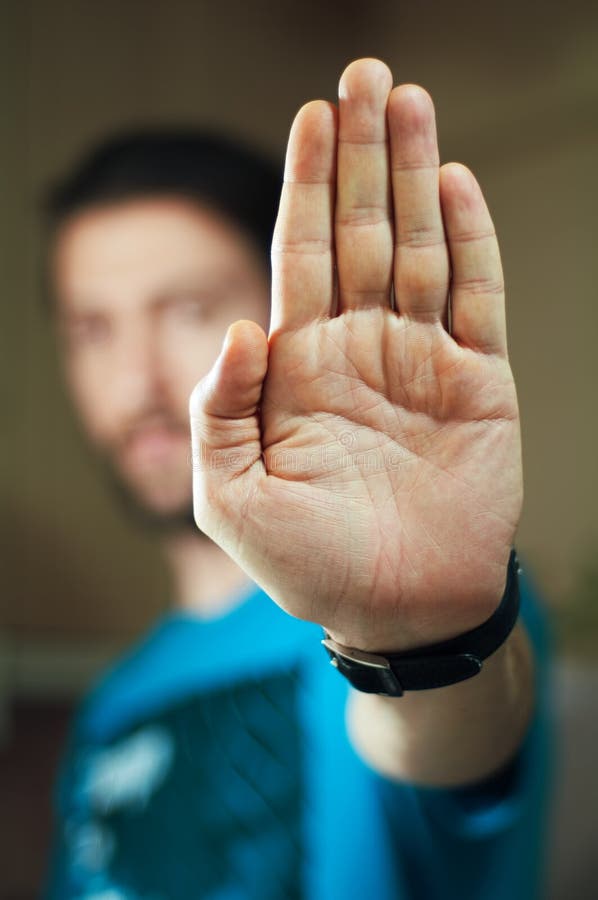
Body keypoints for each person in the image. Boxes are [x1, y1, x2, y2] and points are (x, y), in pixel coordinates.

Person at [42, 59, 554, 899]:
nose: (136, 383)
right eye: (93, 330)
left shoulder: (436, 609)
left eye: (189, 311)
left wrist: (418, 640)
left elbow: (447, 734)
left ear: (295, 305)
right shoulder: (112, 706)